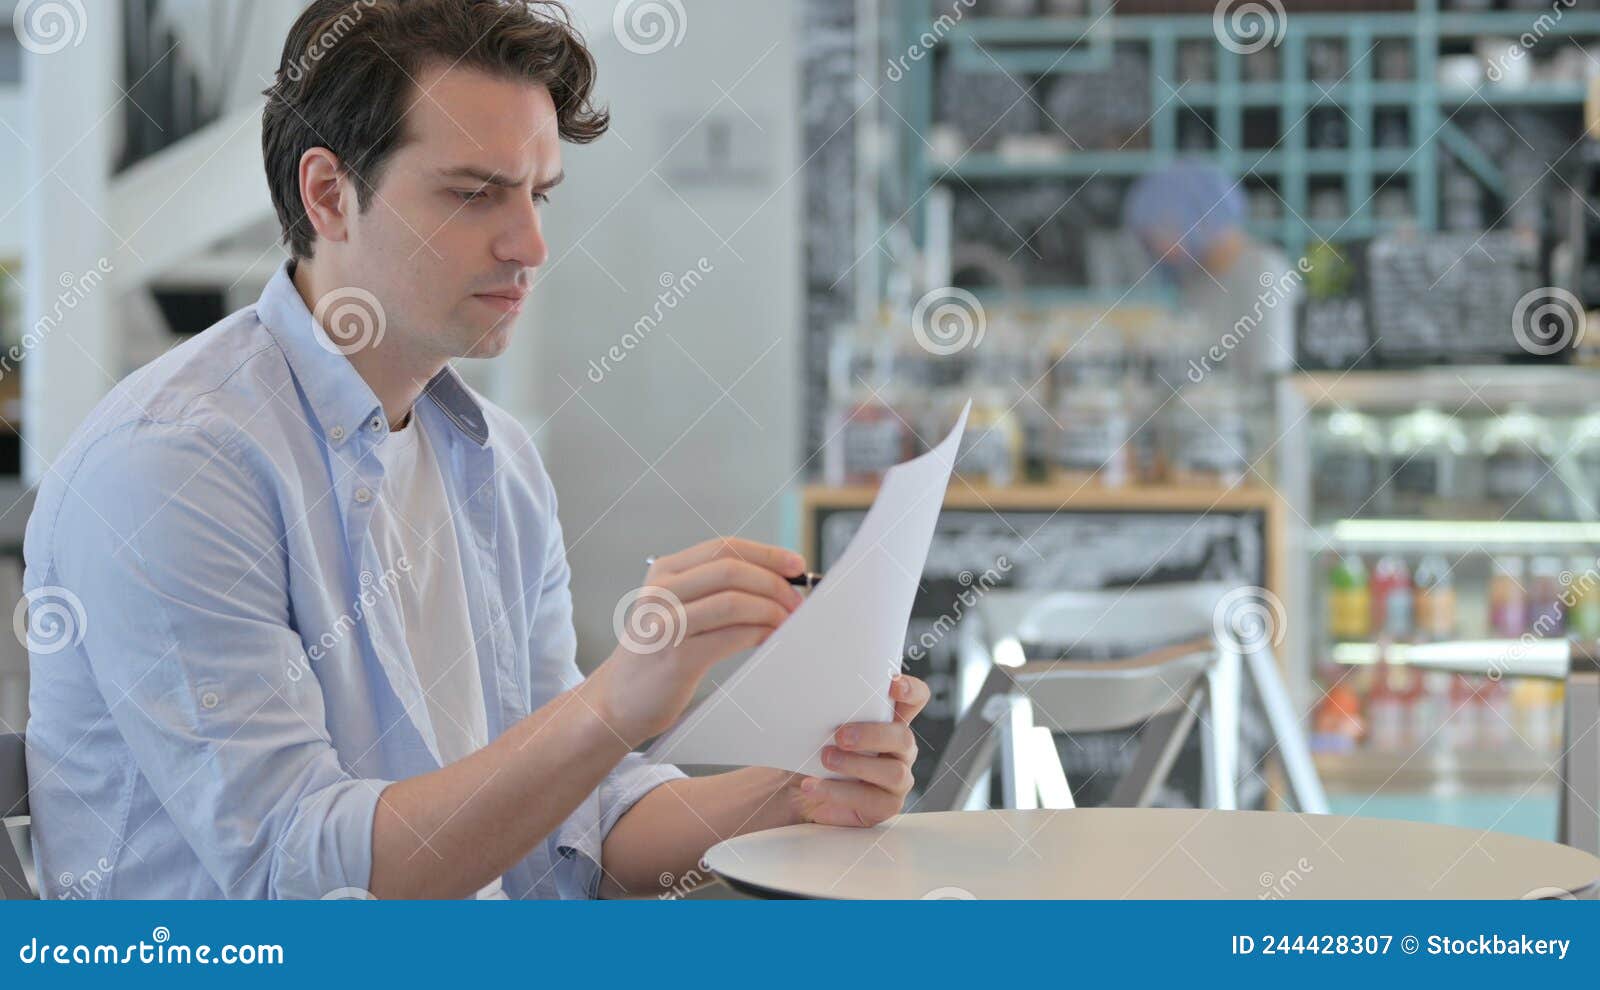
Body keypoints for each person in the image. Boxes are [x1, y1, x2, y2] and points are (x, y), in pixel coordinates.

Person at [22, 0, 927, 900]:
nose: (530, 244)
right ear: (328, 194)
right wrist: (611, 706)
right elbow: (296, 874)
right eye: (473, 192)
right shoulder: (176, 468)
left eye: (539, 194)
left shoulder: (492, 459)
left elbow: (575, 822)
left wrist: (808, 788)